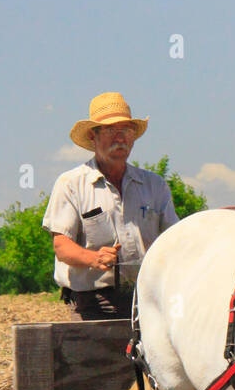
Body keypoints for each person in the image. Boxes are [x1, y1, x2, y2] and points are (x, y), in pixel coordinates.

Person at [42, 92, 179, 320]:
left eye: (126, 130)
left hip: (148, 300)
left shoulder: (155, 186)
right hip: (93, 303)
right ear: (93, 137)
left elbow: (174, 239)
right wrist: (93, 258)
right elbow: (61, 246)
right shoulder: (71, 184)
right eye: (110, 130)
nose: (120, 138)